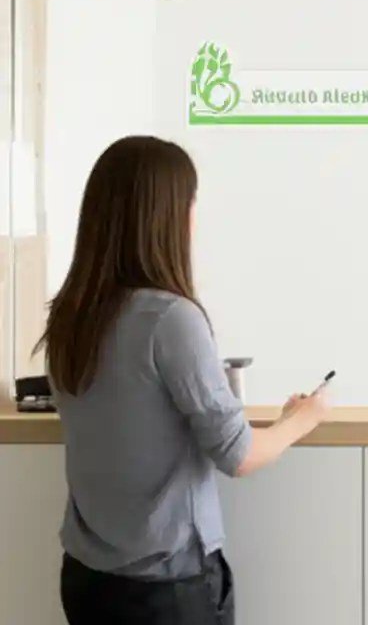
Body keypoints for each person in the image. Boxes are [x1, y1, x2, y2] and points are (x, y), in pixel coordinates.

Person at [37, 135, 331, 625]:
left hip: (88, 580)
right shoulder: (171, 319)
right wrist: (303, 419)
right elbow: (237, 454)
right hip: (166, 591)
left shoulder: (69, 317)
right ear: (168, 216)